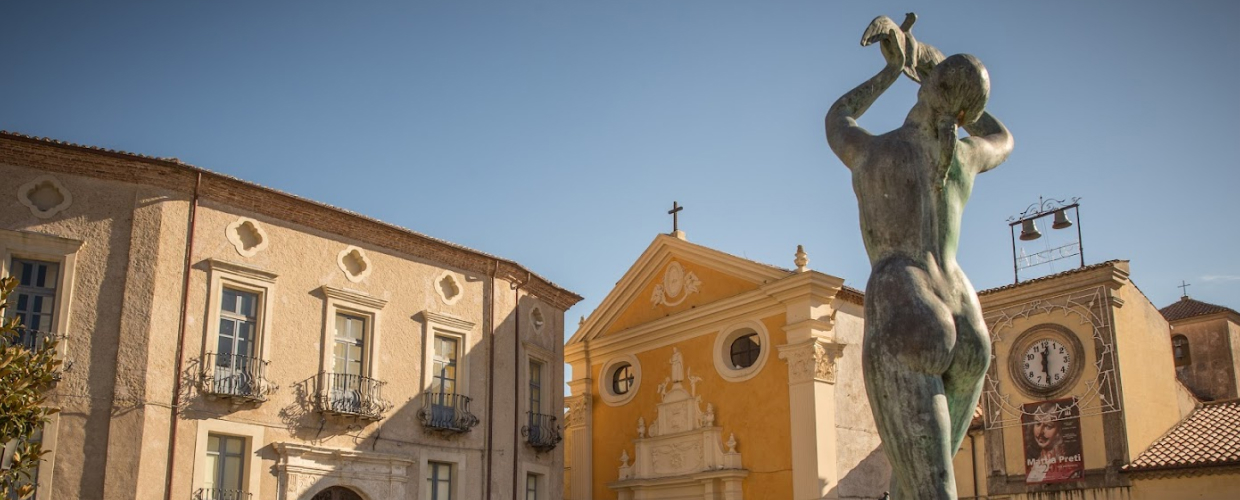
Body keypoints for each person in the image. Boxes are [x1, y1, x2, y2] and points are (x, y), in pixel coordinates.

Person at [825, 19, 1014, 500]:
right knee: (916, 485)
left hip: (903, 294)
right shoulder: (968, 156)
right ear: (967, 110)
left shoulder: (872, 151)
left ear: (926, 88)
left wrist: (895, 67)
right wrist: (925, 57)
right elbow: (1003, 137)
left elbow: (837, 116)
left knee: (933, 490)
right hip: (964, 307)